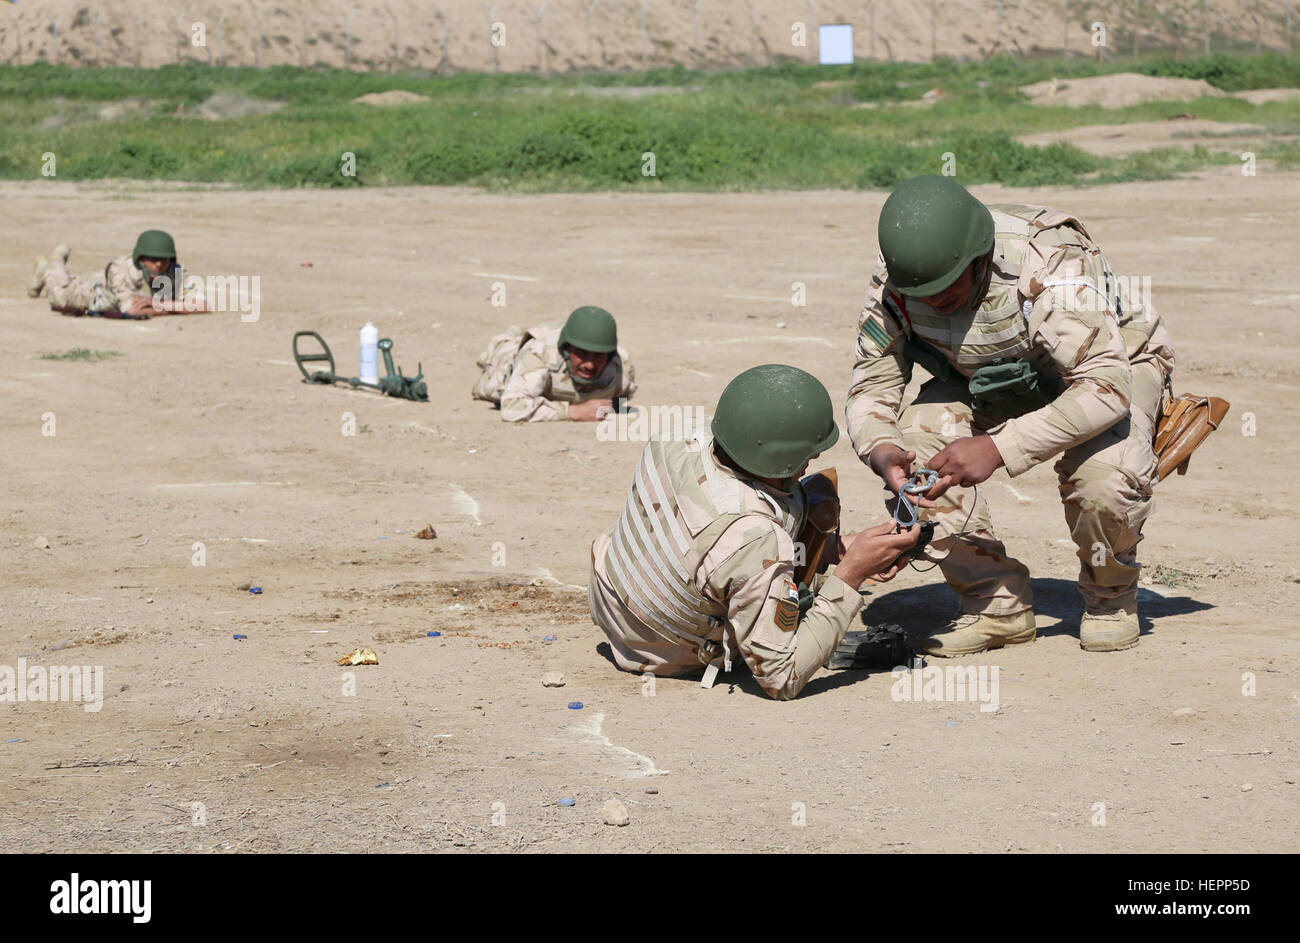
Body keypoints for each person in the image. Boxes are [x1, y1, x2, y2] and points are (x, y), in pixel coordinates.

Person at [846, 175, 1175, 656]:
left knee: (1106, 475)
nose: (933, 300)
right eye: (924, 291)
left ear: (979, 255)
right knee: (918, 460)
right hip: (985, 375)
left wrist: (998, 447)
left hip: (1105, 371)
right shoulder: (905, 276)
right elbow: (873, 380)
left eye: (945, 285)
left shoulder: (1048, 257)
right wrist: (881, 448)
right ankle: (996, 603)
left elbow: (1104, 385)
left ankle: (1111, 598)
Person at [589, 364, 920, 700]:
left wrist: (837, 550)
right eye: (808, 454)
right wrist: (851, 575)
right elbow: (780, 680)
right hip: (664, 651)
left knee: (808, 497)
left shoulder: (683, 434)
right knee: (811, 502)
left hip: (613, 601)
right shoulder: (755, 536)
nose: (814, 458)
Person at [471, 305, 636, 422]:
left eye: (599, 356)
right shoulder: (541, 354)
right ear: (566, 348)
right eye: (581, 353)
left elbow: (620, 401)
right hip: (507, 362)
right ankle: (510, 339)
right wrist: (573, 411)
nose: (590, 365)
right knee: (491, 384)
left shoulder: (620, 369)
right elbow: (511, 408)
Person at [28, 229, 207, 315]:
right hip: (90, 293)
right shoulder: (121, 270)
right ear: (141, 258)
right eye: (152, 259)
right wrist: (176, 307)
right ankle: (54, 262)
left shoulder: (175, 271)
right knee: (58, 292)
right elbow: (131, 311)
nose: (159, 265)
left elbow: (202, 305)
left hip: (108, 284)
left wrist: (154, 304)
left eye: (164, 260)